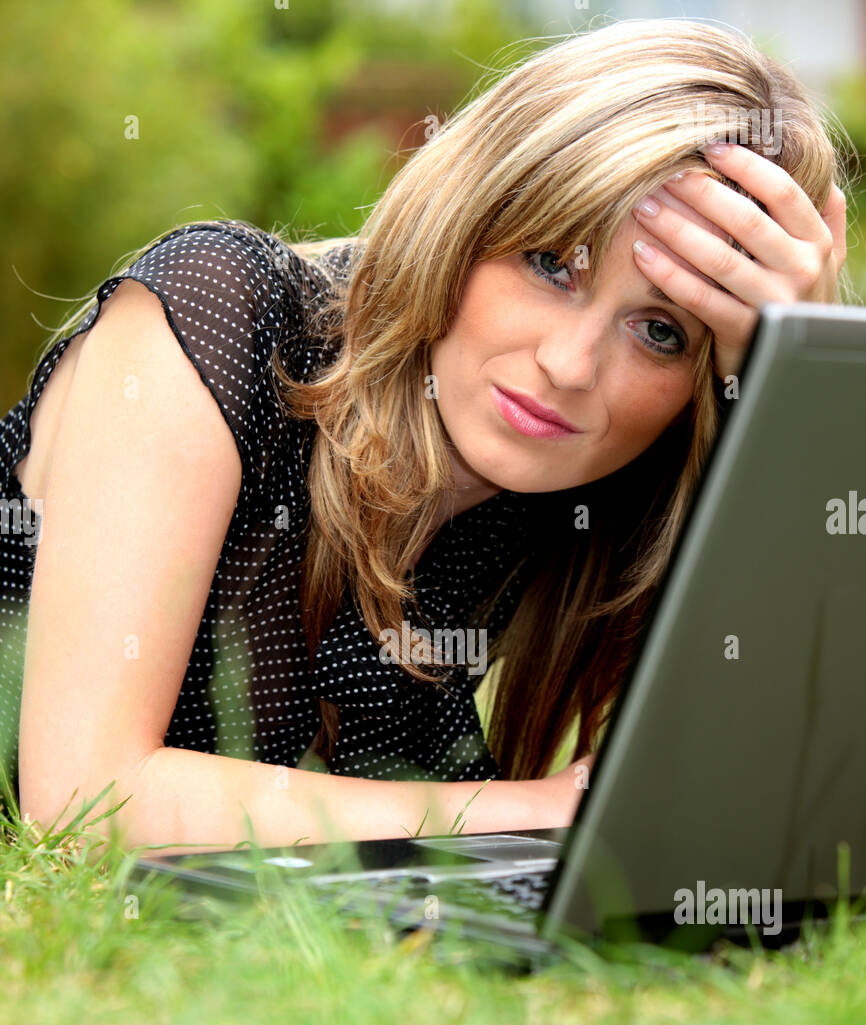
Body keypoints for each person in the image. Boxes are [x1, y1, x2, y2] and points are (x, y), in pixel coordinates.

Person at [0, 18, 850, 857]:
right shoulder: (220, 314)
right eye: (552, 264)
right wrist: (541, 808)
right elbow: (81, 798)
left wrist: (782, 403)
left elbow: (756, 802)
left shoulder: (587, 492)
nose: (569, 365)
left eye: (660, 332)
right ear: (468, 219)